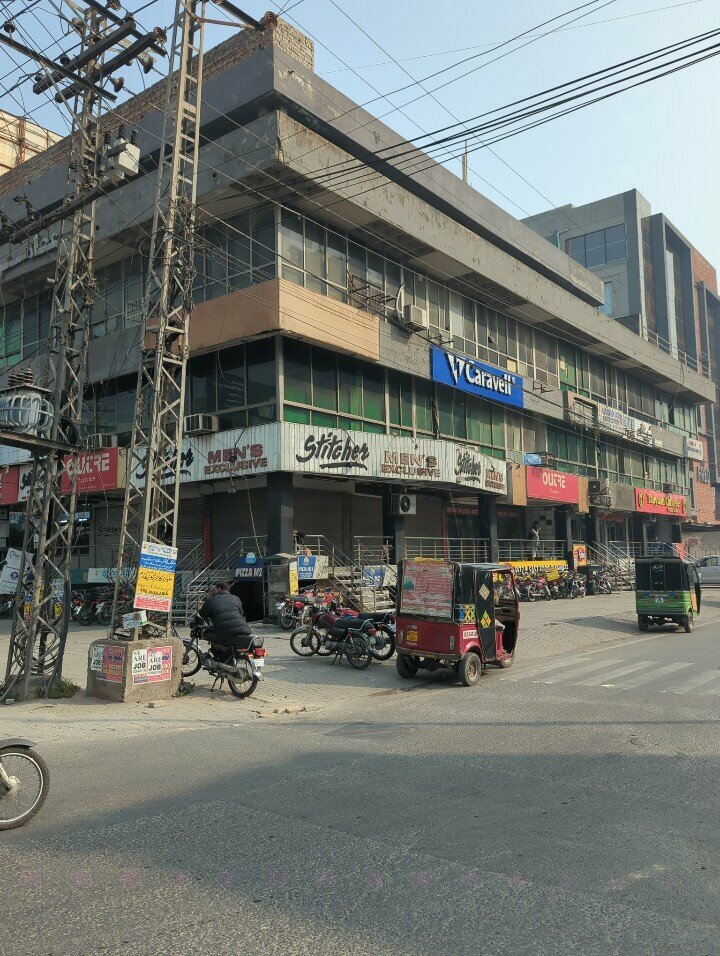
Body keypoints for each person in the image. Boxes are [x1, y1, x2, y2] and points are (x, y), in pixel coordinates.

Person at [198, 580, 252, 645]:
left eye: (215, 589)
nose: (214, 591)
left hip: (224, 633)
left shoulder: (212, 600)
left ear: (219, 589)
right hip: (243, 630)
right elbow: (241, 613)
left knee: (206, 633)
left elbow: (202, 614)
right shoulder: (236, 598)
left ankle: (216, 649)